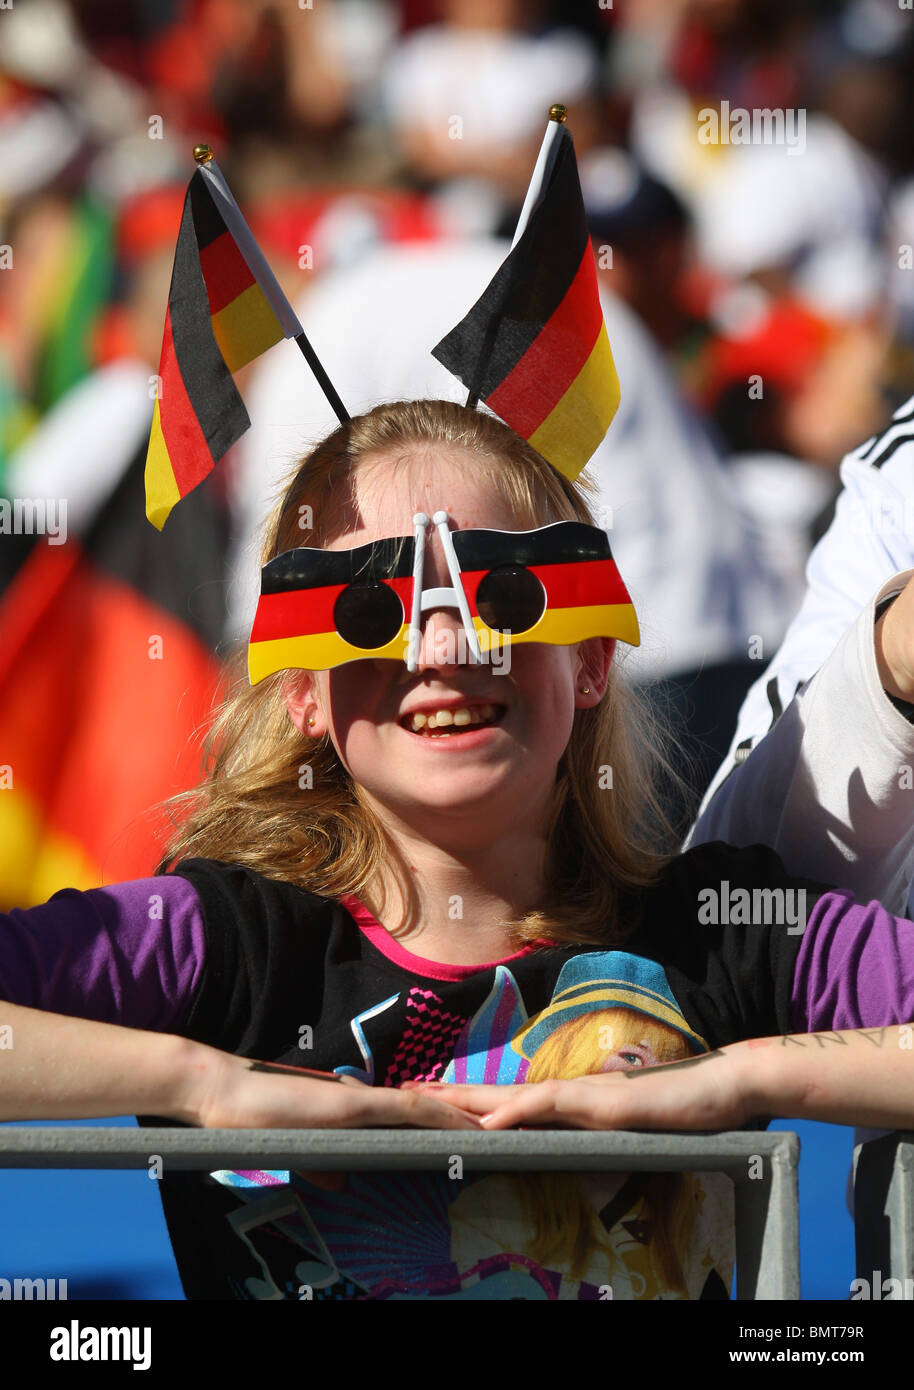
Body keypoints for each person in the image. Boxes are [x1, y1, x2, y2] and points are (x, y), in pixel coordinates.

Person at [2, 399, 914, 1302]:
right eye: (368, 610)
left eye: (504, 595)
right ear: (301, 693)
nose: (441, 646)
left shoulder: (725, 931)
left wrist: (734, 1076)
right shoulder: (217, 942)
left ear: (591, 660)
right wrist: (207, 1085)